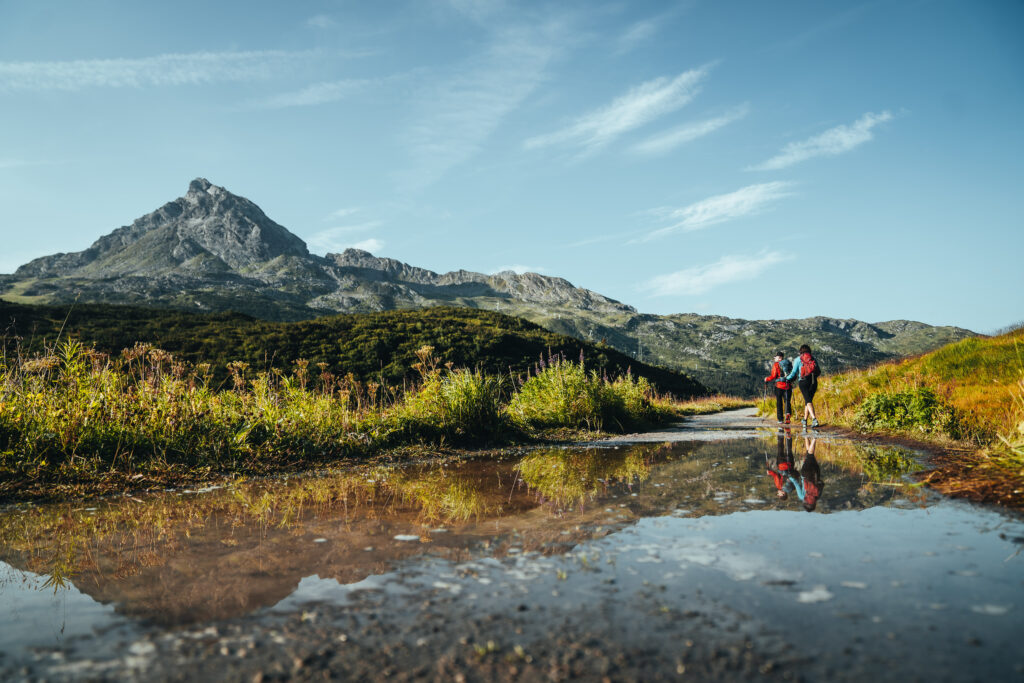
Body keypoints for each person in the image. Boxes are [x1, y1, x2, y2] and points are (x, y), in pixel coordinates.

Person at [787, 344, 821, 428]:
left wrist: (786, 378)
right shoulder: (813, 358)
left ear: (800, 351)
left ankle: (814, 419)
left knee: (808, 400)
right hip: (813, 381)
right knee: (808, 400)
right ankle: (805, 420)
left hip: (803, 381)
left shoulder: (798, 359)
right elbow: (819, 371)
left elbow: (793, 373)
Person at [764, 351, 793, 424]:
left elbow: (773, 376)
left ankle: (780, 419)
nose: (774, 358)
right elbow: (793, 374)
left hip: (779, 386)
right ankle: (788, 414)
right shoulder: (788, 364)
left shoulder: (776, 365)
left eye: (776, 357)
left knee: (779, 402)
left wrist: (766, 379)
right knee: (787, 401)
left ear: (779, 357)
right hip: (788, 385)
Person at [800, 436, 824, 512]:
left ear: (814, 505)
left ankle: (814, 438)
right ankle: (806, 436)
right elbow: (804, 484)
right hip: (805, 474)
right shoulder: (804, 497)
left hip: (814, 474)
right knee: (809, 454)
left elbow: (822, 484)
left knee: (810, 454)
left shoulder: (817, 497)